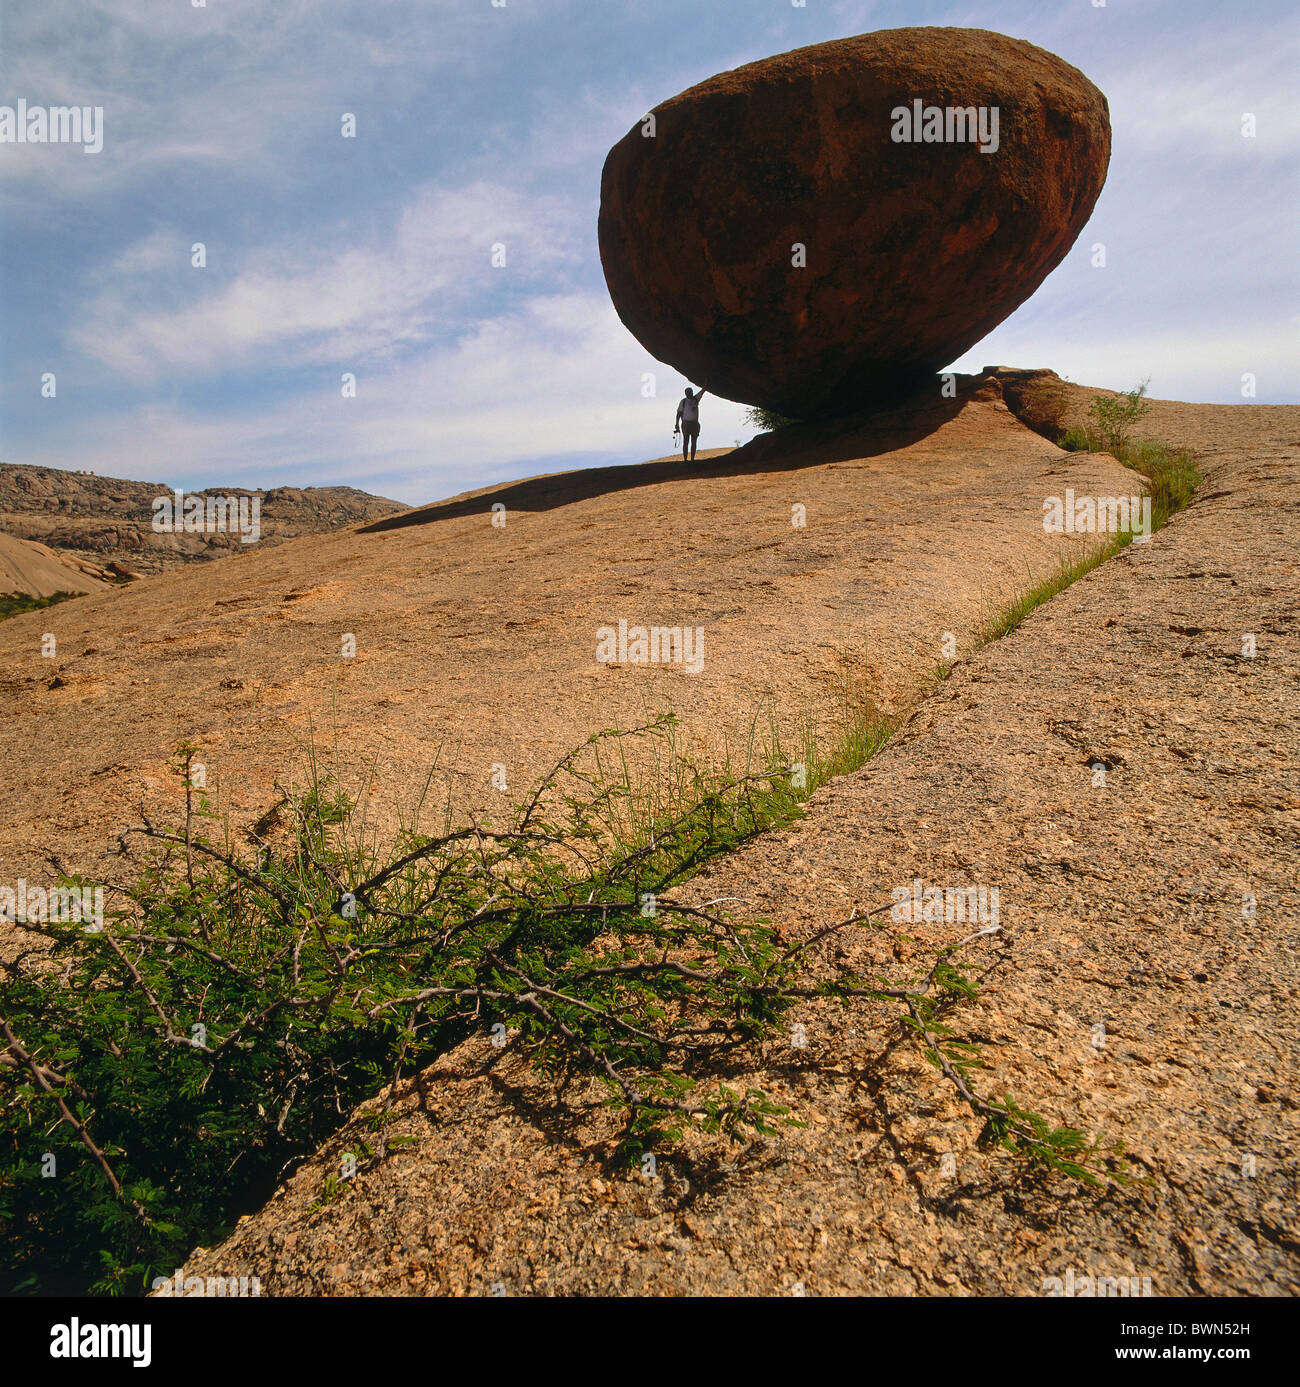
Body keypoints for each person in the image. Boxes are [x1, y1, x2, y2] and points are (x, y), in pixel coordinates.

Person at [674, 386, 708, 463]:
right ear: (685, 394)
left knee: (693, 441)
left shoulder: (696, 399)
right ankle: (685, 460)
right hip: (686, 424)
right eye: (688, 392)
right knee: (686, 441)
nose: (690, 394)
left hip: (694, 423)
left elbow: (702, 391)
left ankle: (692, 459)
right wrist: (677, 424)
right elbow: (678, 413)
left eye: (690, 392)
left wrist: (706, 383)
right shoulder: (683, 402)